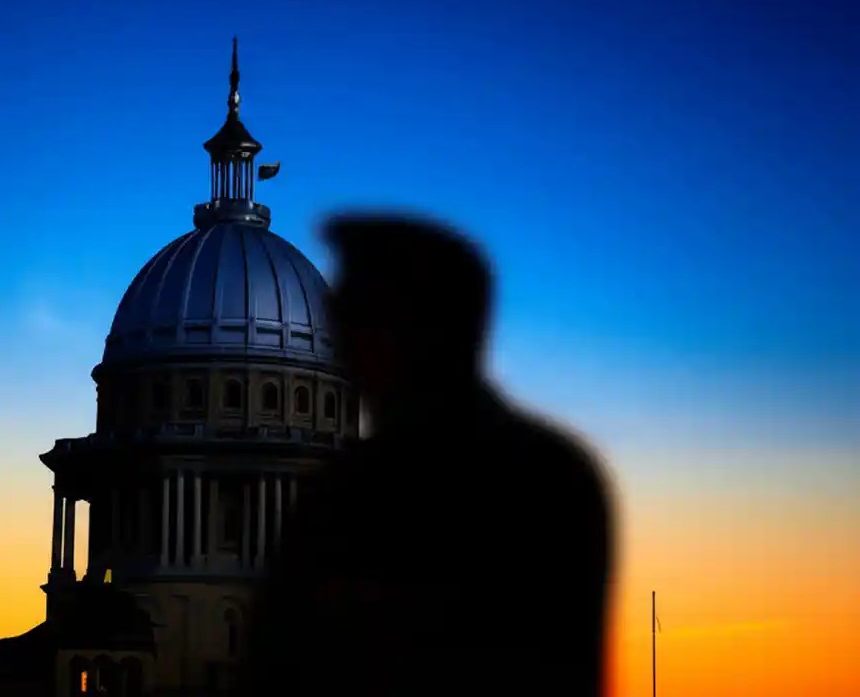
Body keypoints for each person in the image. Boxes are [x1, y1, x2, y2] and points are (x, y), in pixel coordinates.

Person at [245, 213, 614, 696]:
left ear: (425, 327)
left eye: (355, 318)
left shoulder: (351, 492)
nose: (339, 344)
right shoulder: (556, 470)